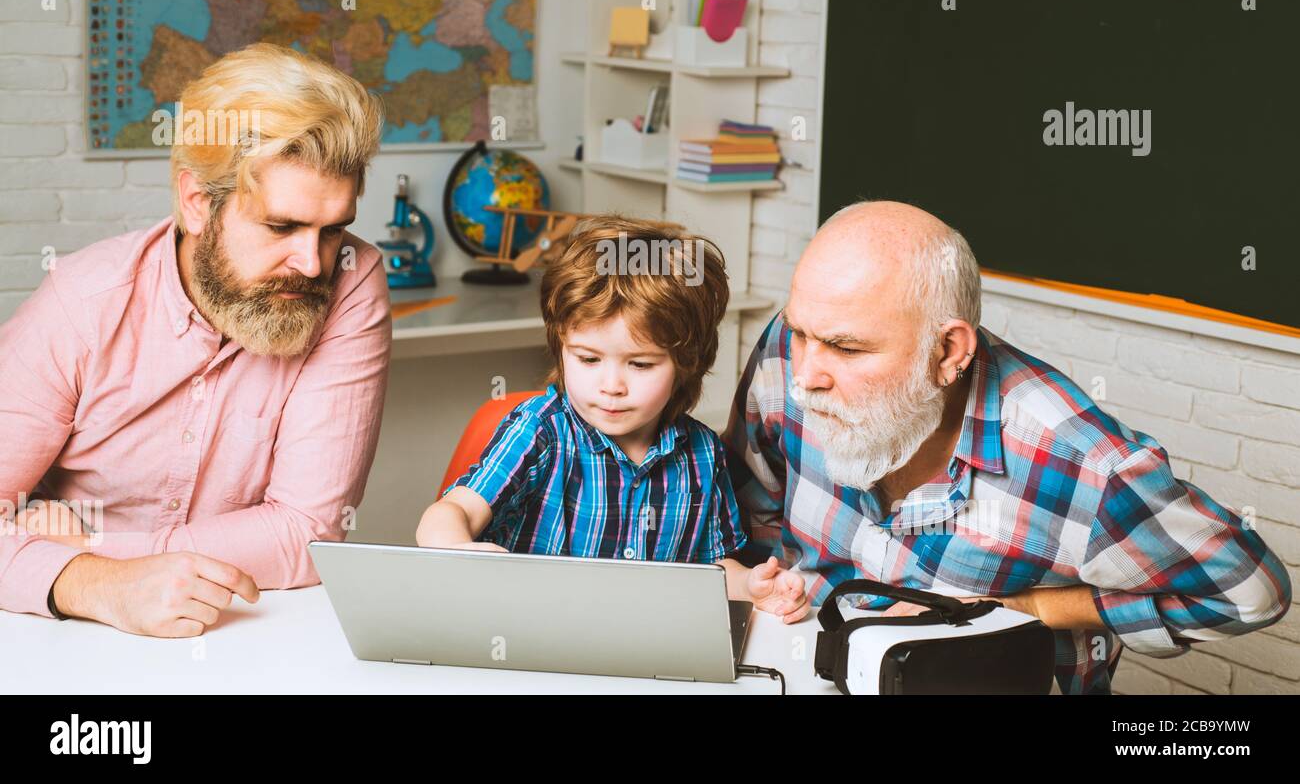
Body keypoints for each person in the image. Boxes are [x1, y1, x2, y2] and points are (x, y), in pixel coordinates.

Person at [722, 199, 1292, 693]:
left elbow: (1249, 592)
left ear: (948, 353)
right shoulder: (789, 348)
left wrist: (1040, 608)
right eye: (801, 332)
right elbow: (751, 506)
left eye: (847, 349)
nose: (805, 374)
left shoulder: (1082, 464)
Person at [0, 43, 392, 637]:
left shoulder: (350, 280)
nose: (313, 263)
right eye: (282, 226)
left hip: (253, 630)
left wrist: (95, 548)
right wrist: (94, 585)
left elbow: (308, 530)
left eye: (333, 228)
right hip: (71, 634)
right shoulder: (83, 301)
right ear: (196, 202)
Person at [416, 215, 809, 623]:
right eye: (587, 359)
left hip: (641, 647)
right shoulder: (540, 431)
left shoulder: (703, 456)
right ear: (561, 348)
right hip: (527, 636)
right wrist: (453, 548)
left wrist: (752, 586)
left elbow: (710, 571)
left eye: (639, 364)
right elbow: (450, 513)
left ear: (686, 364)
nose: (611, 385)